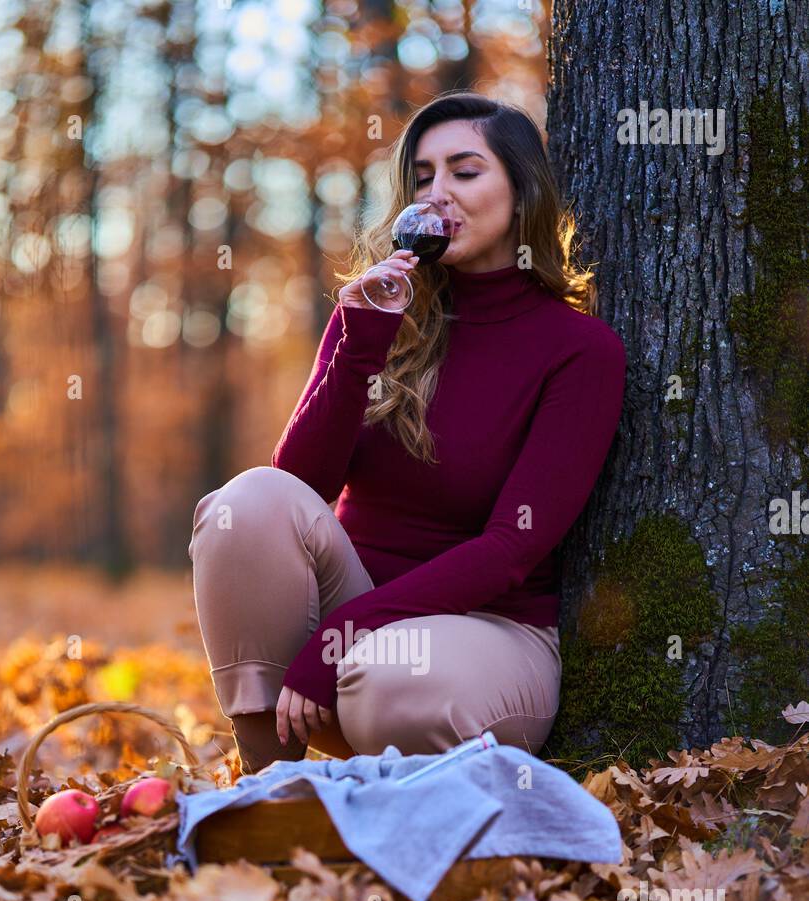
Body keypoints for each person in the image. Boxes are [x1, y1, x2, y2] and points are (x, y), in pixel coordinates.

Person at [189, 91, 626, 775]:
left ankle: (404, 817)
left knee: (389, 682)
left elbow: (511, 548)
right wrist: (360, 345)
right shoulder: (377, 313)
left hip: (482, 639)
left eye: (465, 171)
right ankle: (269, 785)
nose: (438, 193)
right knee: (243, 505)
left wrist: (340, 635)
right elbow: (297, 491)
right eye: (423, 177)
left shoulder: (579, 350)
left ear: (523, 189)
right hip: (339, 637)